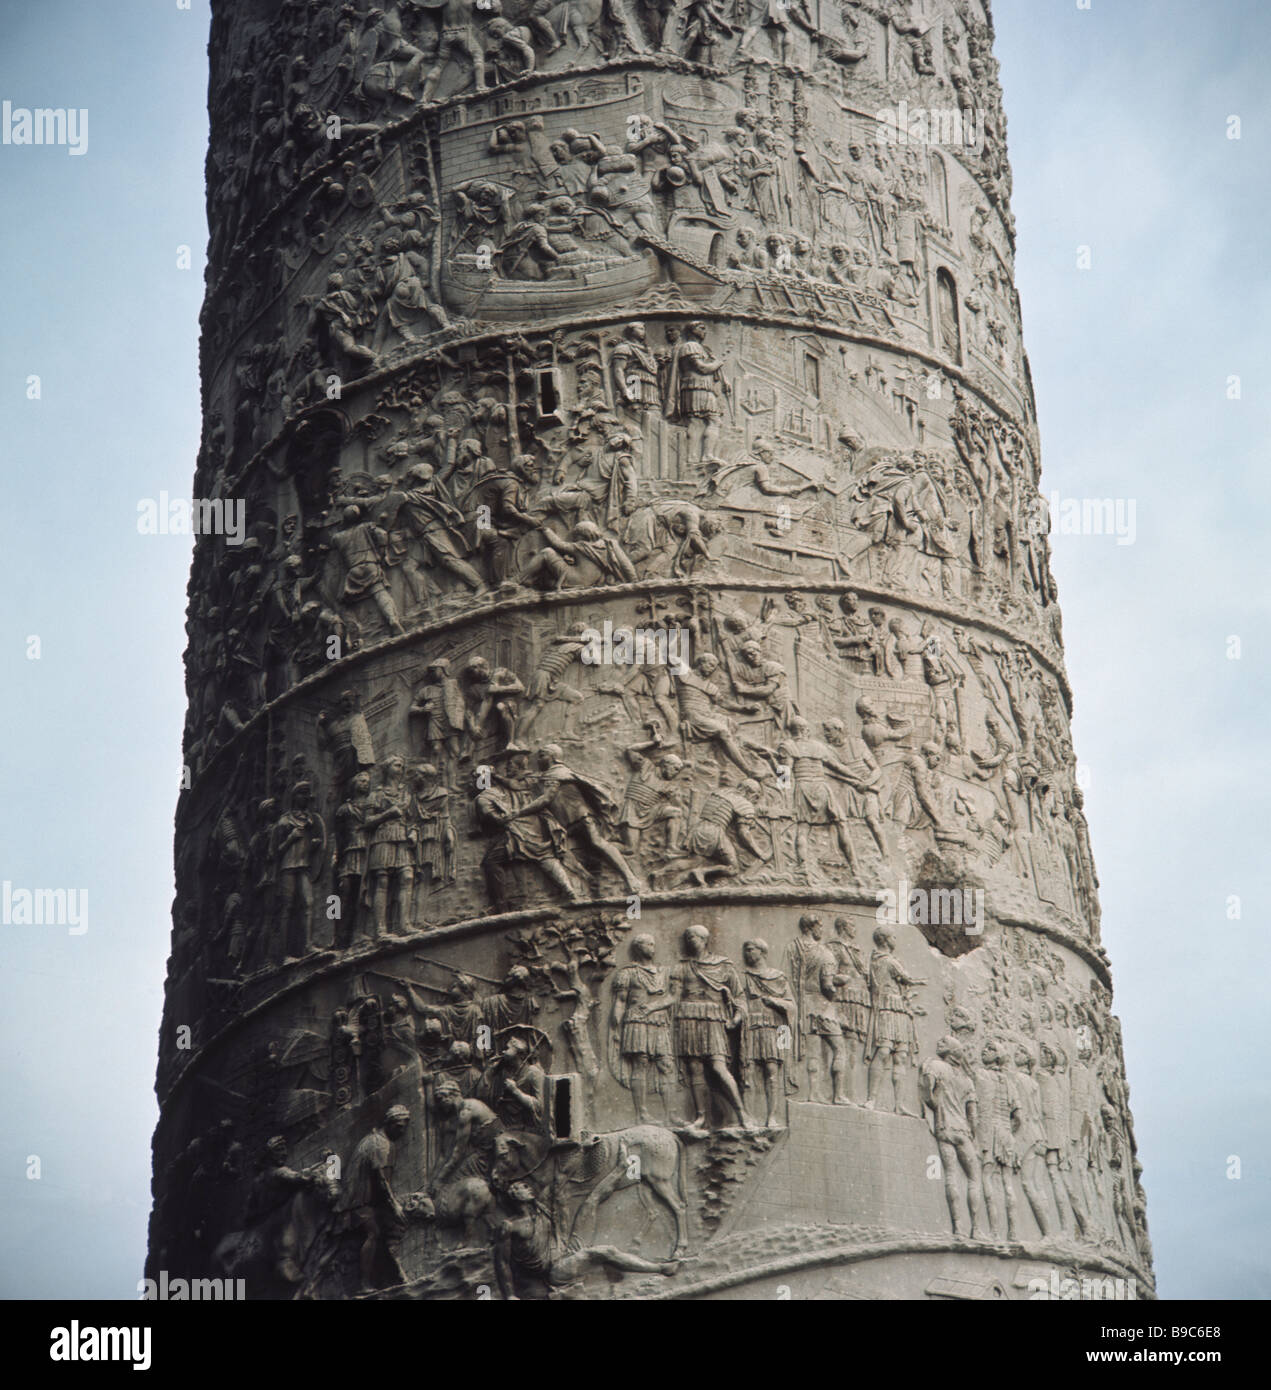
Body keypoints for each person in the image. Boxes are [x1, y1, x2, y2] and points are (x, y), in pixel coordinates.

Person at [335, 1105, 411, 1292]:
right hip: (358, 1200)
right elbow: (381, 1180)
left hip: (366, 1199)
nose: (402, 1131)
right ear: (390, 1123)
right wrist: (394, 1206)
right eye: (399, 1126)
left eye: (404, 1127)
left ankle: (387, 1278)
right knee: (373, 1233)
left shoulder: (377, 1139)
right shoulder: (380, 1144)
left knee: (382, 1230)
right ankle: (364, 1284)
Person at [609, 934, 674, 1123]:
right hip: (636, 1020)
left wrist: (656, 1006)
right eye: (648, 944)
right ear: (638, 947)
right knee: (641, 1064)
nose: (652, 947)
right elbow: (620, 1001)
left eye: (653, 943)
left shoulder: (663, 972)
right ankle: (642, 1114)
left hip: (659, 1020)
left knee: (666, 1064)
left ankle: (670, 1114)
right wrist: (616, 1026)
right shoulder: (628, 972)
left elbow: (672, 996)